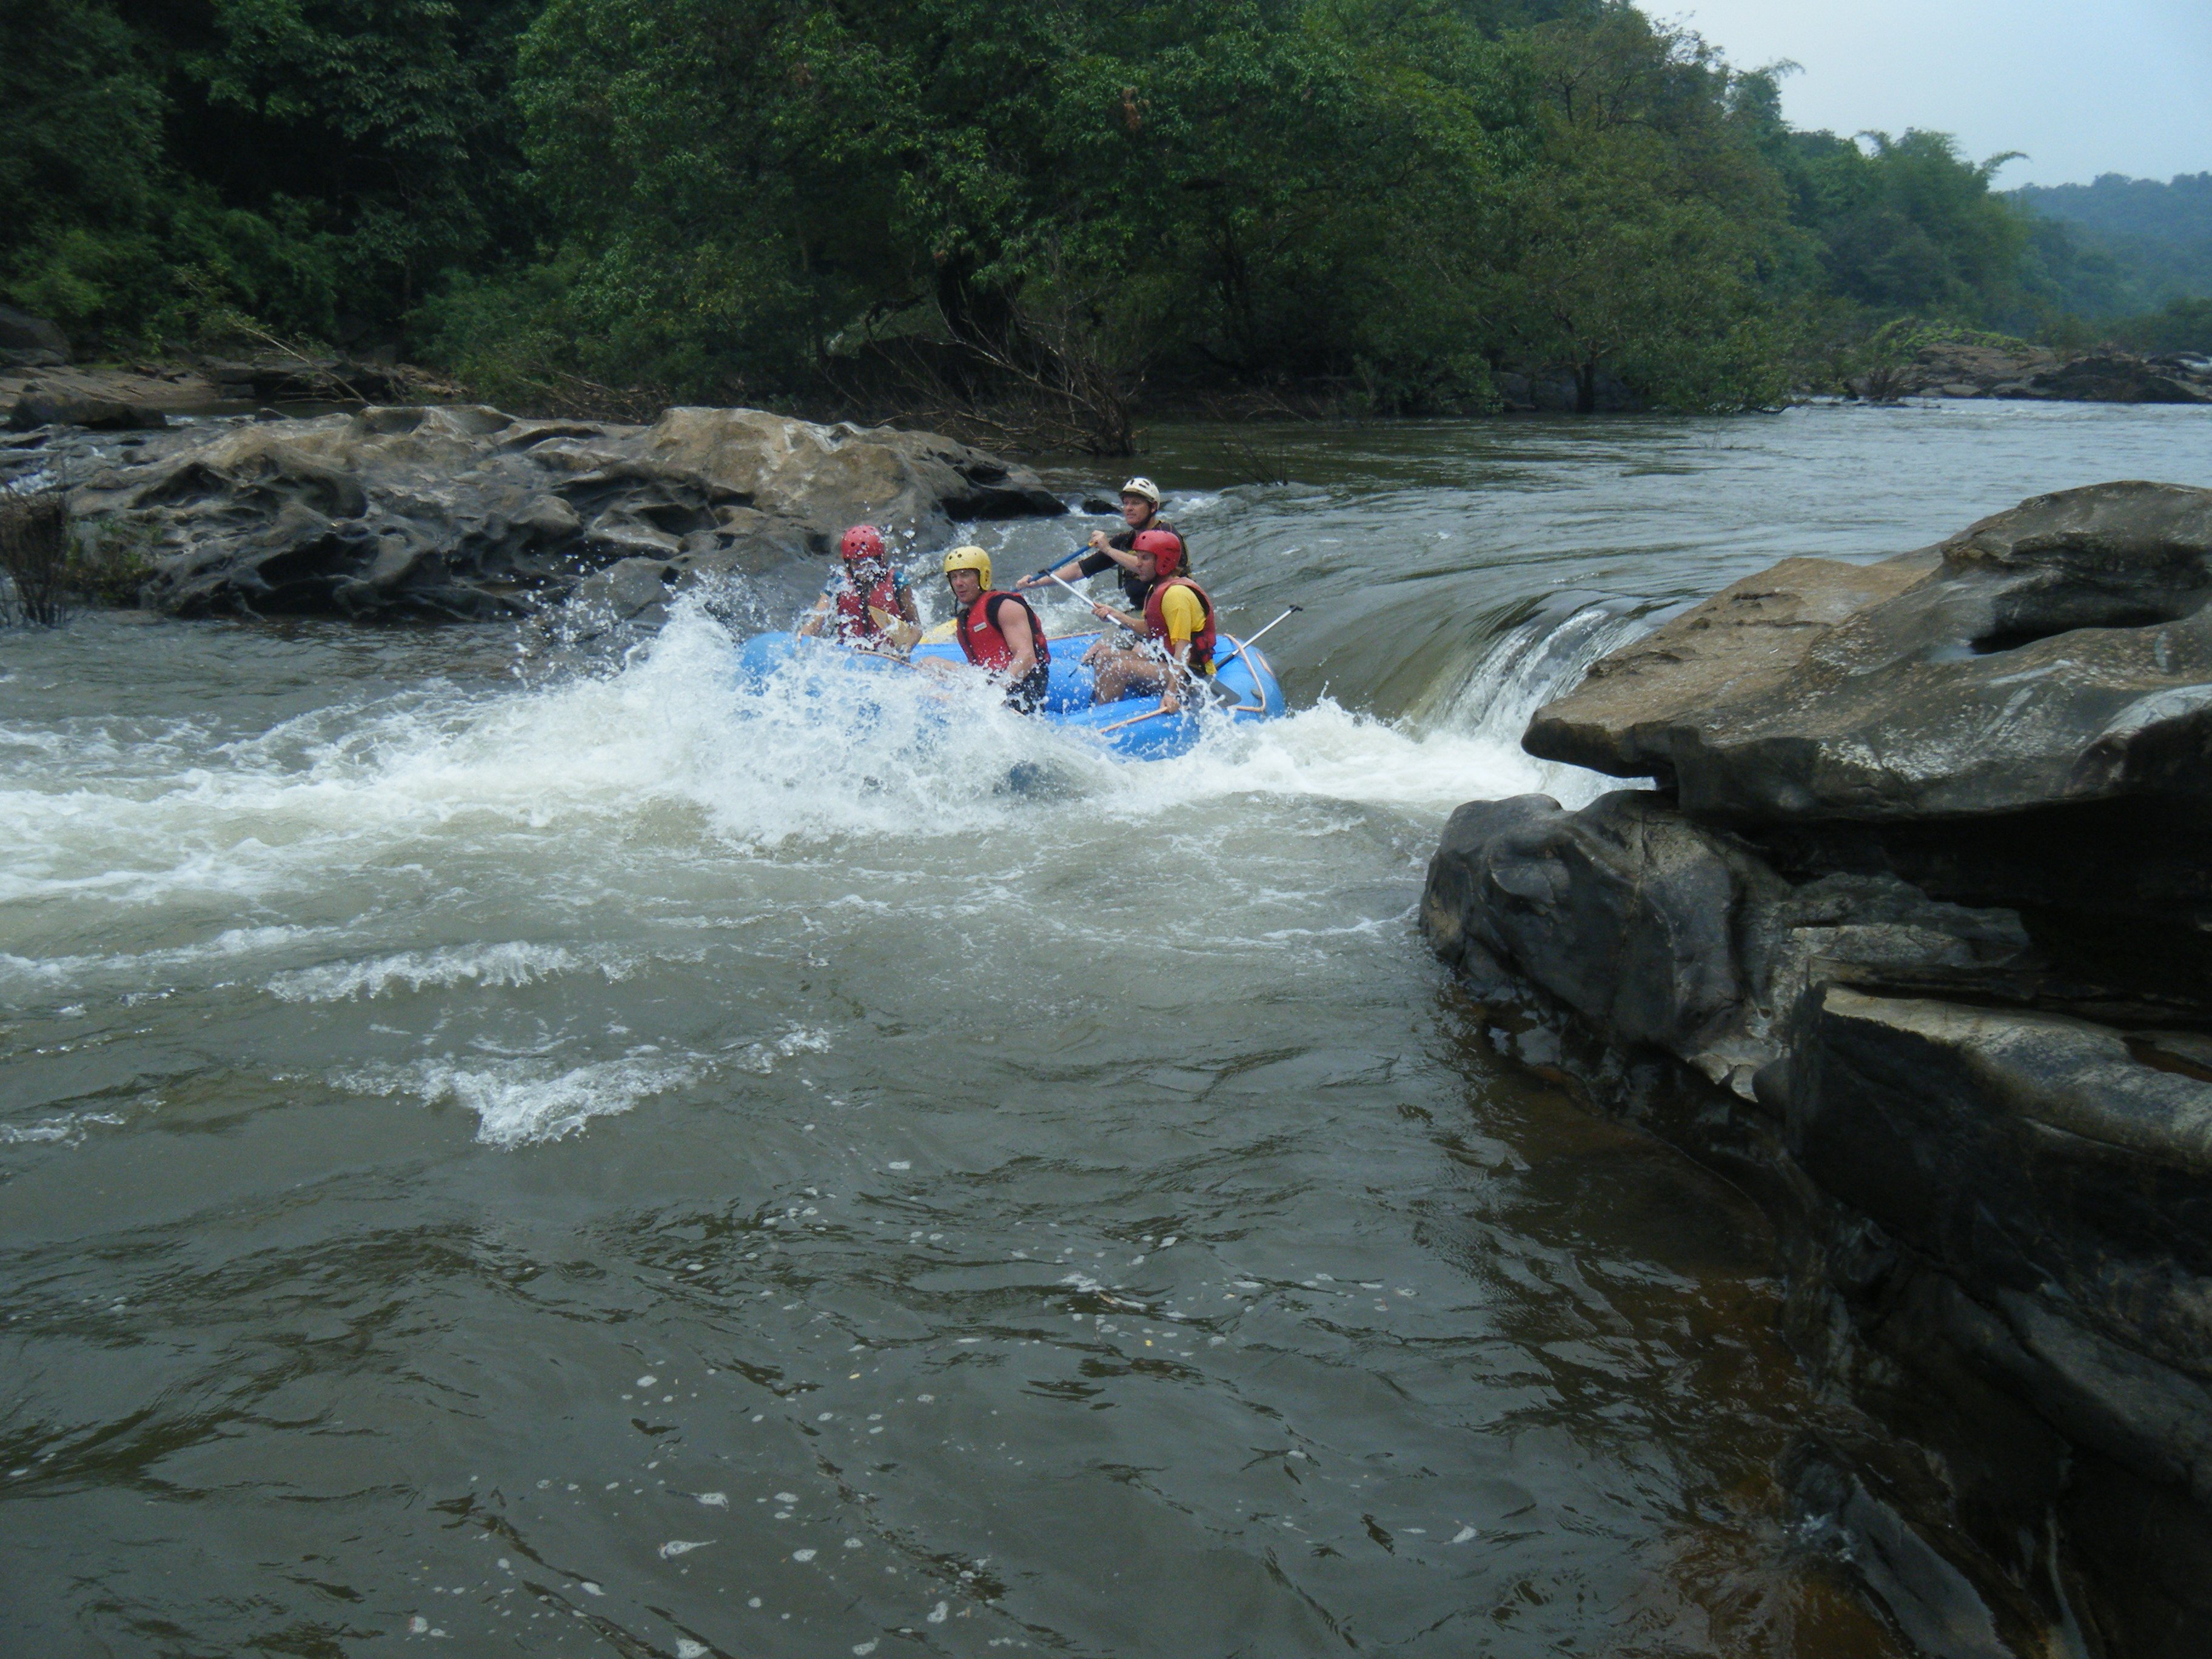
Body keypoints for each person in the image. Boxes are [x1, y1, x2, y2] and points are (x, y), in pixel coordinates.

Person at [1085, 529, 1216, 714]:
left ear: (1164, 561)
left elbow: (1184, 652)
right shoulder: (1157, 588)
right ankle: (1100, 709)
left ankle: (1104, 721)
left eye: (1145, 558)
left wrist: (1171, 693)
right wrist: (1117, 616)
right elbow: (1150, 630)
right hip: (1166, 663)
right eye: (1138, 557)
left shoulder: (1176, 596)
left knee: (1118, 668)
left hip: (1190, 674)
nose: (1138, 564)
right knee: (1104, 656)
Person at [1013, 476, 1184, 611]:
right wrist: (1036, 583)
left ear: (1153, 507)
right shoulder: (1124, 541)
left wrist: (1109, 550)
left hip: (1169, 610)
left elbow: (1152, 568)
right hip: (1141, 611)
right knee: (1093, 655)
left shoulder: (1167, 535)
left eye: (1136, 503)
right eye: (1126, 503)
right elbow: (1080, 570)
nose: (1128, 508)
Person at [942, 546, 1051, 712]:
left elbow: (1027, 658)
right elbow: (978, 670)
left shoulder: (1005, 607)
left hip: (1022, 684)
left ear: (982, 576)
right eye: (954, 577)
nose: (958, 583)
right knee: (928, 664)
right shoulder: (965, 619)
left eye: (965, 575)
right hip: (990, 681)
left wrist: (996, 692)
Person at [798, 525, 919, 651]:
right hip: (851, 657)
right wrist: (805, 634)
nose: (863, 570)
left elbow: (917, 627)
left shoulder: (897, 582)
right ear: (848, 563)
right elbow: (817, 620)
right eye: (857, 563)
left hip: (890, 656)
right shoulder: (838, 585)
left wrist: (907, 647)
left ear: (879, 560)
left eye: (868, 563)